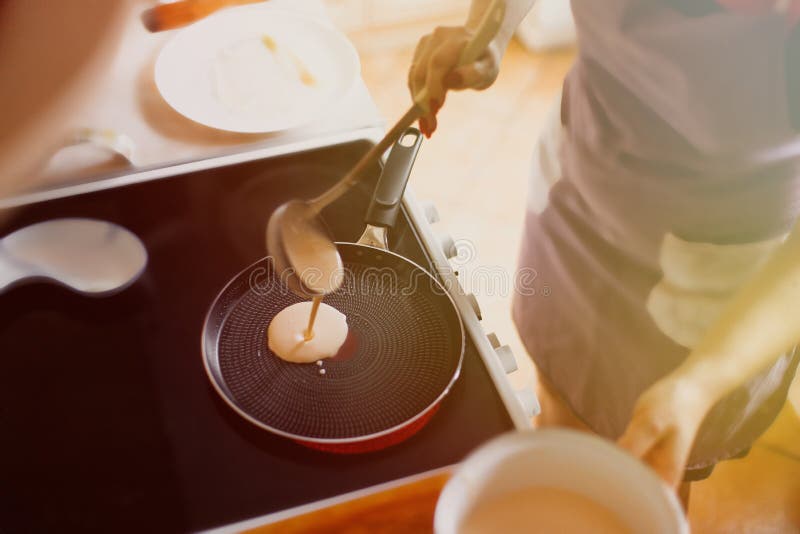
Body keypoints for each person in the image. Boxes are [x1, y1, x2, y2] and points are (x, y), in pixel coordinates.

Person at [409, 0, 800, 501]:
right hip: (579, 188)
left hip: (710, 281)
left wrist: (698, 385)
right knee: (559, 396)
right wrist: (487, 26)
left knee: (642, 472)